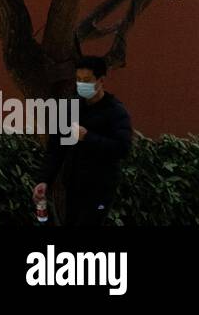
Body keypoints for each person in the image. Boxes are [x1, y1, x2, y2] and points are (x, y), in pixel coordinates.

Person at [34, 56, 133, 226]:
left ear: (101, 80)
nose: (81, 84)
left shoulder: (115, 111)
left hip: (100, 188)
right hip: (74, 185)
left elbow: (122, 148)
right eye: (78, 79)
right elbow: (56, 148)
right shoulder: (70, 107)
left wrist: (88, 138)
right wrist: (44, 180)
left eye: (87, 80)